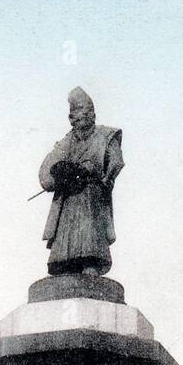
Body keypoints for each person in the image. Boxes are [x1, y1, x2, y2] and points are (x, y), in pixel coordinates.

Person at [39, 87, 124, 276]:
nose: (76, 118)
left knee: (89, 225)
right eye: (73, 115)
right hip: (68, 196)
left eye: (82, 113)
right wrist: (60, 174)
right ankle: (65, 262)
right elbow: (46, 172)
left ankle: (91, 261)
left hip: (91, 195)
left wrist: (95, 171)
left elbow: (116, 162)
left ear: (92, 114)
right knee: (66, 228)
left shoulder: (106, 136)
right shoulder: (66, 142)